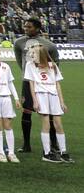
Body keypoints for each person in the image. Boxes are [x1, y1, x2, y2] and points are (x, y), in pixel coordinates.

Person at [13, 18, 60, 156]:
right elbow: (19, 60)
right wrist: (28, 73)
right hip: (28, 82)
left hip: (45, 83)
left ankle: (54, 144)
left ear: (38, 28)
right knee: (26, 111)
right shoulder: (19, 42)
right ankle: (26, 144)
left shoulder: (49, 45)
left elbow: (55, 64)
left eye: (29, 27)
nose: (26, 29)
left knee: (49, 113)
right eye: (25, 26)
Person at [28, 45, 70, 164]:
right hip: (41, 95)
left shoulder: (52, 66)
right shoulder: (30, 66)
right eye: (31, 53)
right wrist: (35, 101)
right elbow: (31, 84)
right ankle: (47, 153)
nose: (31, 56)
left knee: (58, 124)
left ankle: (64, 152)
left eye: (34, 53)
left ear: (42, 55)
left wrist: (62, 102)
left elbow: (57, 85)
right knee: (46, 124)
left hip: (54, 96)